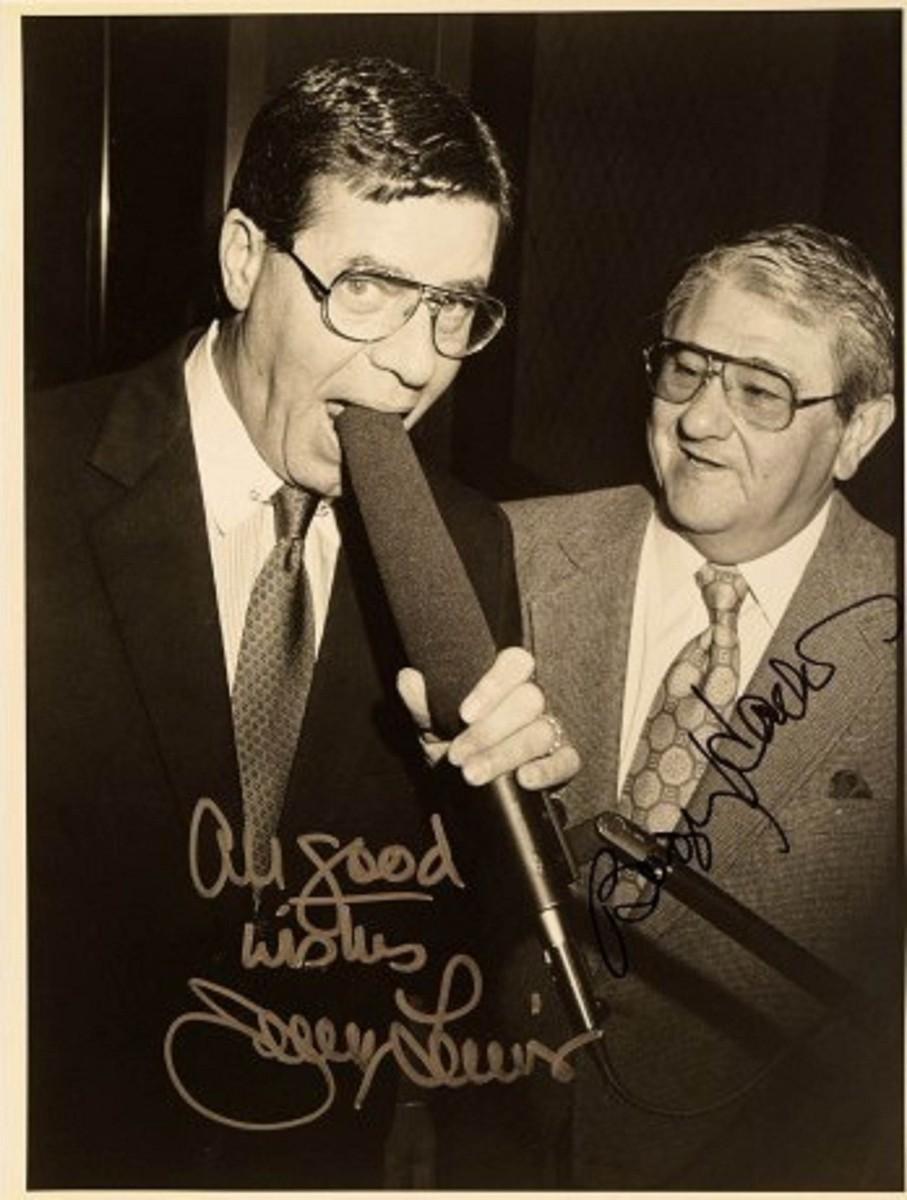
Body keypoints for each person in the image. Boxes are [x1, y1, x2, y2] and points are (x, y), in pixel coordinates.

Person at [25, 56, 575, 1190]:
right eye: (367, 286)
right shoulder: (22, 483)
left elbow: (453, 930)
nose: (416, 365)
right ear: (243, 259)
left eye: (456, 308)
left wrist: (497, 810)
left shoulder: (465, 544)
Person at [485, 223, 901, 1189]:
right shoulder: (504, 553)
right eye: (685, 369)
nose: (700, 420)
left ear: (859, 432)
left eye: (759, 390)